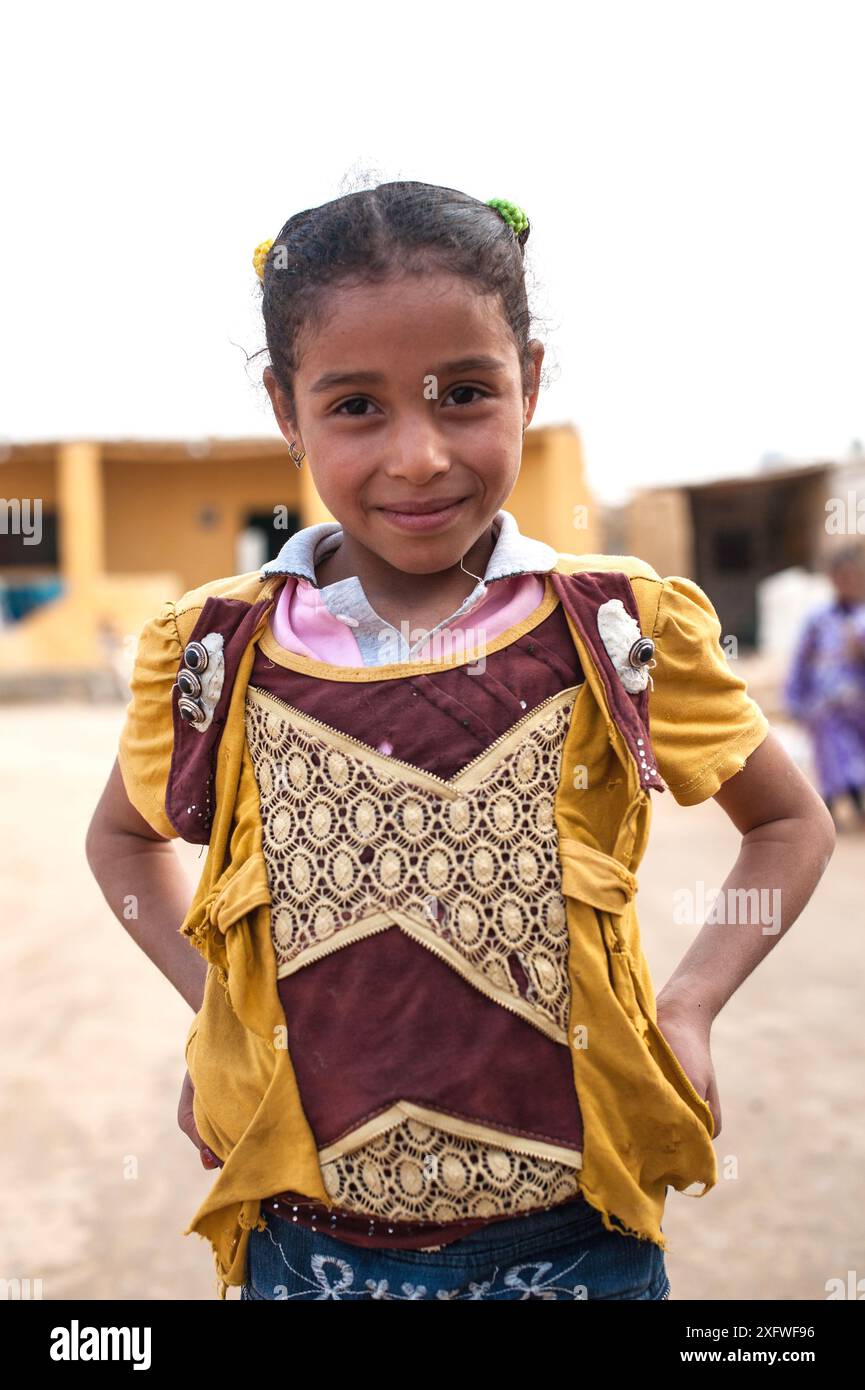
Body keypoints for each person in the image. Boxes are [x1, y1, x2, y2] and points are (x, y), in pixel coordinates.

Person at [86, 182, 836, 1301]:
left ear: (529, 381)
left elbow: (785, 821)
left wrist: (687, 1005)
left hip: (580, 1236)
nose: (421, 455)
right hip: (311, 1247)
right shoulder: (214, 651)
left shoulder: (616, 627)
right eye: (355, 408)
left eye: (466, 394)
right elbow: (119, 841)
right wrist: (222, 1017)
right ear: (285, 410)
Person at [784, 545, 865, 828]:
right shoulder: (818, 620)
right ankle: (826, 816)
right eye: (841, 577)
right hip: (825, 708)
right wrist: (794, 699)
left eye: (852, 577)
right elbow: (800, 662)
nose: (847, 583)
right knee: (831, 762)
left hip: (859, 708)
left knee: (857, 760)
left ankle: (855, 808)